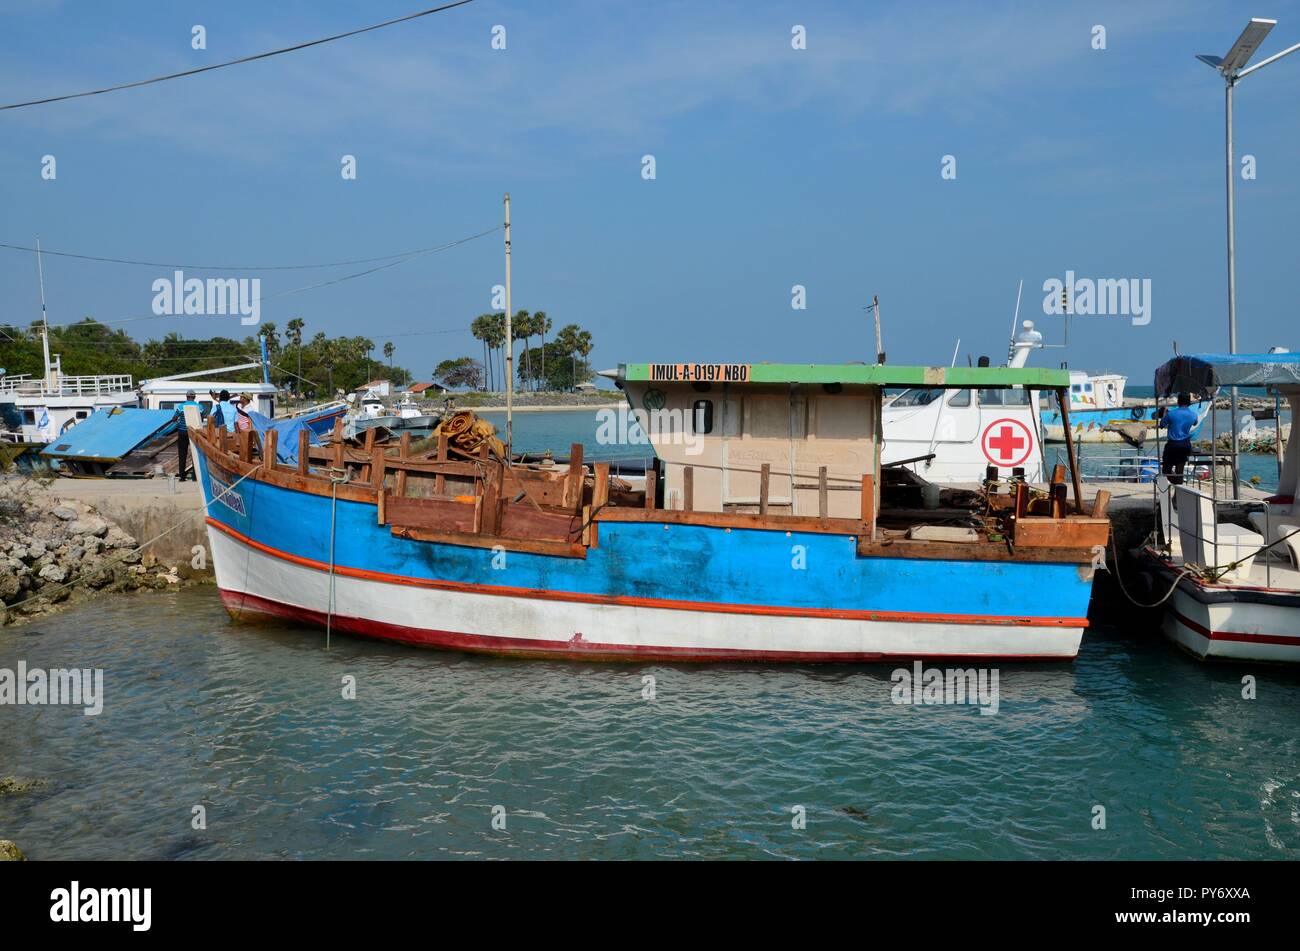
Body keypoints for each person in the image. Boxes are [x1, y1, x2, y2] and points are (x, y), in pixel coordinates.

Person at [1158, 392, 1198, 484]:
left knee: (1166, 470)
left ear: (1178, 401)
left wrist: (1164, 413)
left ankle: (1175, 483)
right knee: (1179, 471)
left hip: (1172, 445)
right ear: (1189, 402)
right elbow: (1195, 423)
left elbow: (1162, 425)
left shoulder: (1171, 414)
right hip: (1185, 444)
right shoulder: (1193, 415)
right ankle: (1177, 494)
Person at [172, 390, 203, 481]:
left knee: (182, 454)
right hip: (194, 432)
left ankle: (182, 477)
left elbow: (174, 418)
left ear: (186, 396)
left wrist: (177, 420)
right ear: (194, 397)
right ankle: (195, 477)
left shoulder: (181, 407)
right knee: (195, 454)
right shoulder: (200, 407)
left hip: (182, 432)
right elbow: (200, 418)